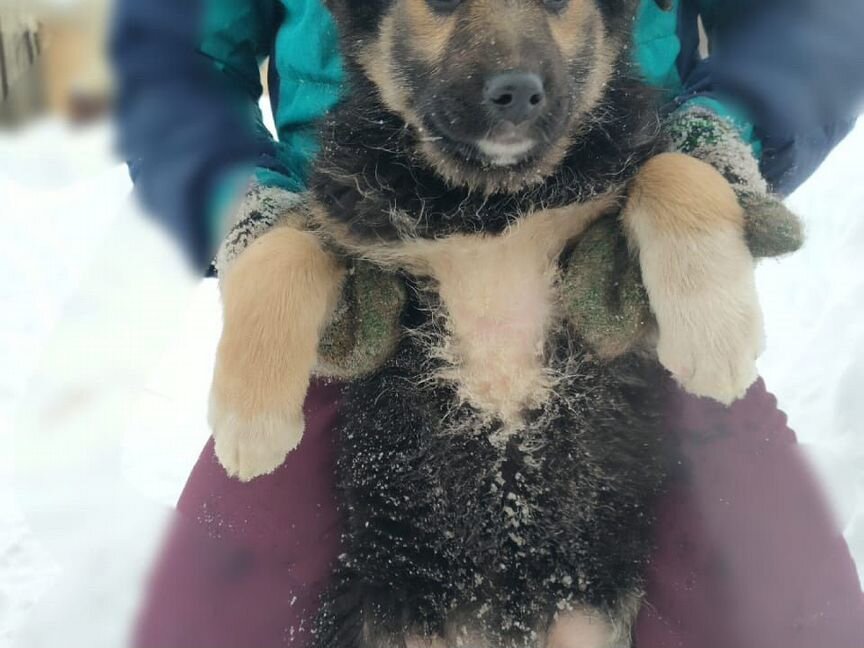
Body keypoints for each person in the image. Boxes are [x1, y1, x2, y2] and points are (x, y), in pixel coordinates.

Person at [110, 1, 864, 646]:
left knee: (797, 610)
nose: (511, 71)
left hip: (621, 266)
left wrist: (709, 153)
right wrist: (258, 225)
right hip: (365, 278)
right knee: (210, 618)